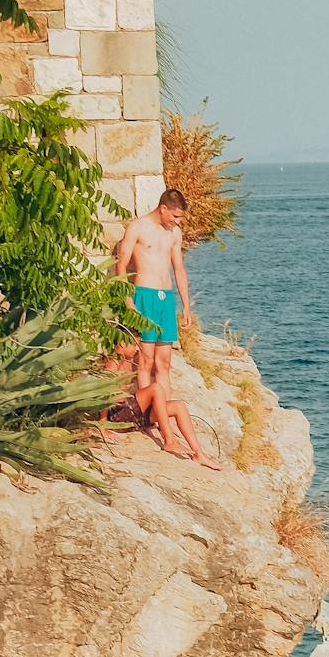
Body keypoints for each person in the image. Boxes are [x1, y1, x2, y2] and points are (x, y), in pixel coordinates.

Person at [114, 190, 192, 397]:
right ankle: (147, 411)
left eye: (180, 218)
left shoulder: (174, 232)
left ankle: (163, 411)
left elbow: (179, 269)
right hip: (144, 294)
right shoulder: (138, 227)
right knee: (146, 359)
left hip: (166, 298)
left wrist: (186, 306)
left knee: (164, 361)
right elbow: (120, 265)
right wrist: (127, 298)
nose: (177, 222)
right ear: (163, 208)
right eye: (175, 216)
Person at [99, 345, 220, 469]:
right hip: (117, 416)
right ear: (122, 344)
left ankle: (199, 454)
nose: (136, 348)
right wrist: (103, 427)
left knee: (179, 406)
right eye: (134, 345)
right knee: (155, 388)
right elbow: (103, 395)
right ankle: (169, 441)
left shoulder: (126, 360)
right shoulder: (112, 363)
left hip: (130, 414)